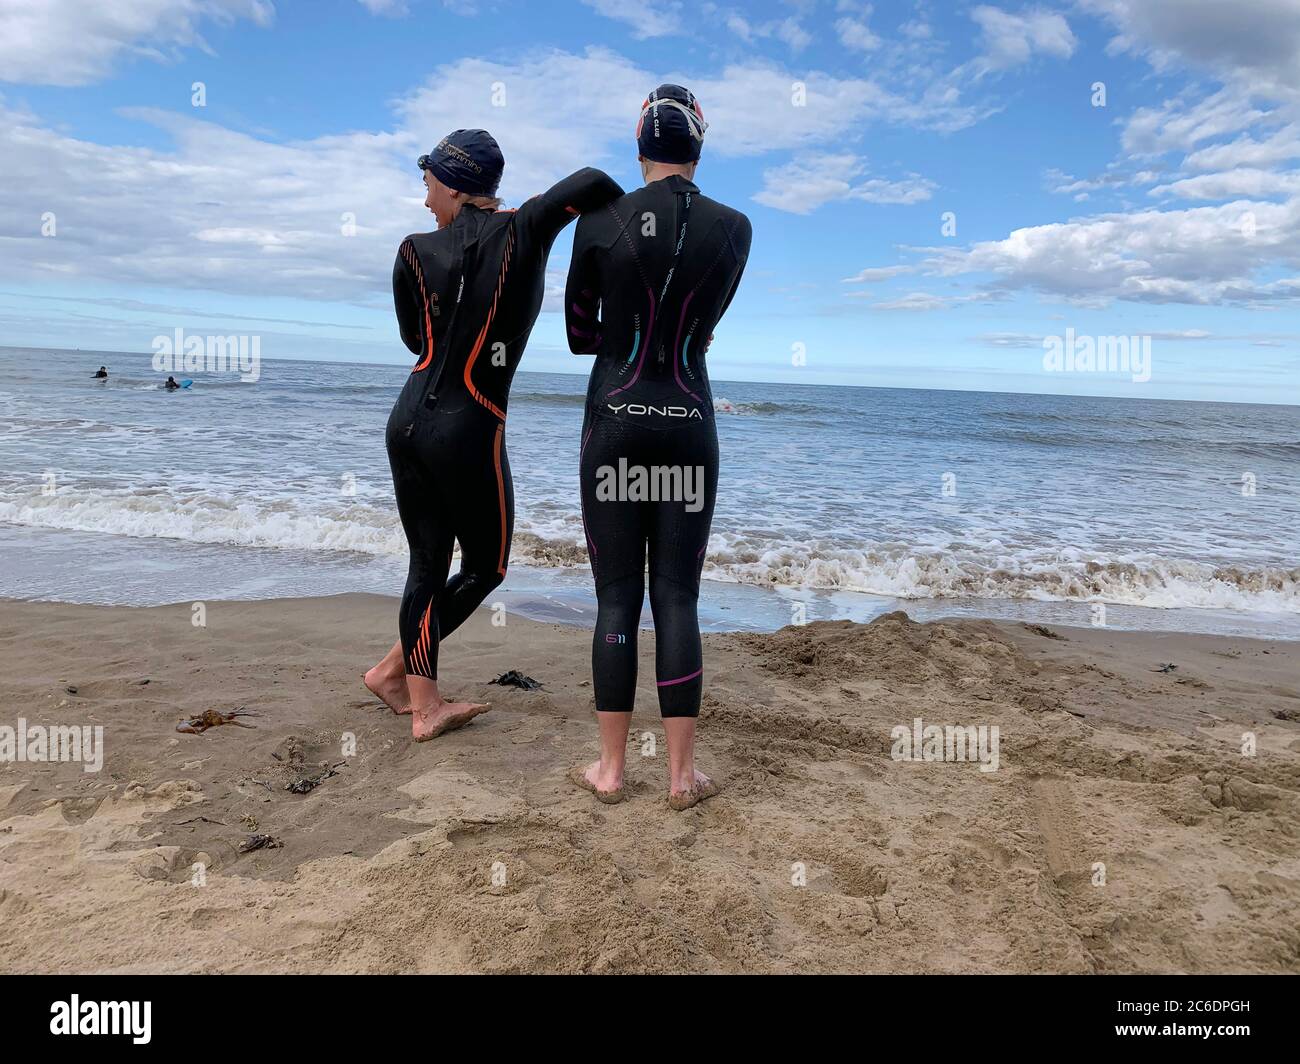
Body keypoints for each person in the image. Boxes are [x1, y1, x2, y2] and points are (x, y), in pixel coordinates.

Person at [365, 129, 623, 742]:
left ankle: (396, 678)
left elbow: (415, 341)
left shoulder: (412, 250)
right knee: (486, 566)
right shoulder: (527, 228)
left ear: (454, 185)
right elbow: (594, 182)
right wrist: (616, 249)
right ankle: (420, 702)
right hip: (470, 425)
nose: (426, 200)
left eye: (429, 185)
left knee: (426, 562)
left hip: (408, 421)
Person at [565, 85, 751, 809]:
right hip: (688, 418)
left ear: (639, 145)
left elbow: (582, 334)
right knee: (677, 597)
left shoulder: (602, 219)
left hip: (613, 420)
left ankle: (610, 772)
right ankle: (679, 778)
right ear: (699, 147)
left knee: (617, 599)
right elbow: (705, 325)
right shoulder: (735, 227)